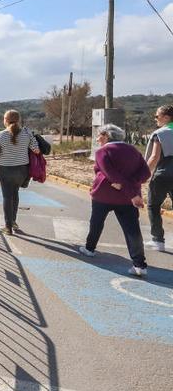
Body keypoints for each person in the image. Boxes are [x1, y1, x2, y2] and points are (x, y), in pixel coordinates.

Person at [77, 124, 151, 276]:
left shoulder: (102, 151)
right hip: (127, 199)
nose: (97, 139)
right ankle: (139, 265)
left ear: (106, 135)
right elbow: (146, 173)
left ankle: (90, 249)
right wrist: (132, 188)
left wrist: (125, 187)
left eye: (98, 135)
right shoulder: (134, 150)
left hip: (103, 194)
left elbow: (110, 174)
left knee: (96, 222)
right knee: (132, 230)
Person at [0, 109, 40, 235]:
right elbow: (36, 150)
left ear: (6, 121)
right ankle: (13, 221)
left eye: (4, 118)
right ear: (18, 120)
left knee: (7, 197)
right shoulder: (27, 133)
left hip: (5, 169)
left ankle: (8, 227)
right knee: (15, 194)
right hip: (22, 170)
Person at [145, 104, 173, 252]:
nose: (155, 119)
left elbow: (154, 157)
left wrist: (143, 174)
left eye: (157, 116)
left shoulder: (160, 133)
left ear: (166, 118)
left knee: (153, 205)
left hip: (163, 174)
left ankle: (158, 240)